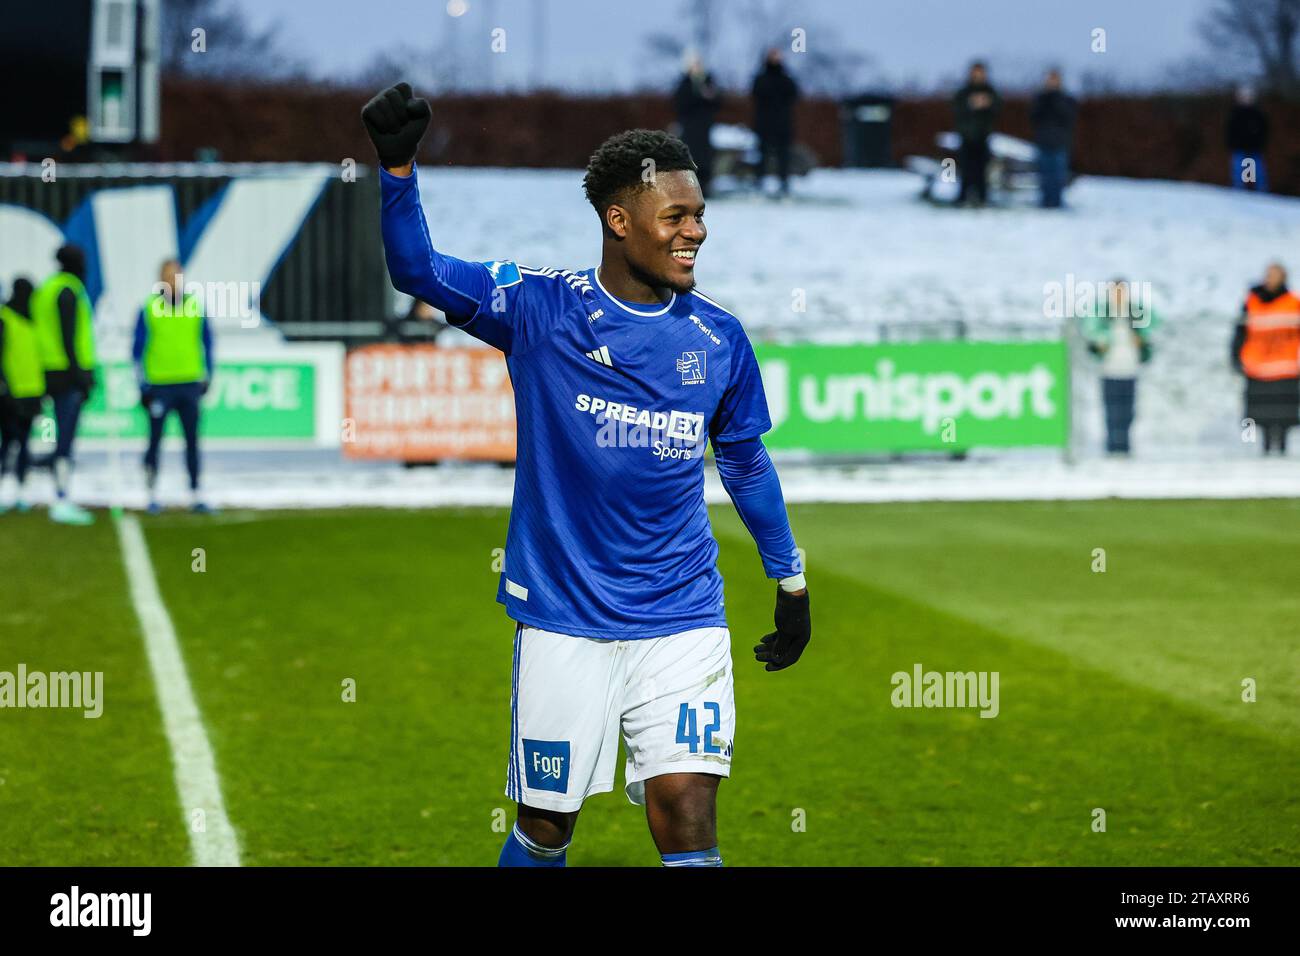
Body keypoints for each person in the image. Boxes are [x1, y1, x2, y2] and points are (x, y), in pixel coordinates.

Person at [363, 83, 812, 868]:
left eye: (700, 215)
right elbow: (418, 271)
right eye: (676, 217)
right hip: (564, 616)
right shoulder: (537, 309)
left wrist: (791, 580)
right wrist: (398, 170)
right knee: (546, 826)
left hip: (683, 615)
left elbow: (743, 459)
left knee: (689, 815)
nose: (695, 233)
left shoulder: (718, 338)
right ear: (620, 221)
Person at [133, 259, 214, 513]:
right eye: (167, 275)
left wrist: (207, 376)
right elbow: (137, 349)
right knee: (155, 440)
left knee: (192, 440)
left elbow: (207, 343)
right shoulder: (149, 308)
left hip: (189, 383)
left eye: (176, 275)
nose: (172, 280)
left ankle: (195, 492)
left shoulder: (194, 306)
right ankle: (151, 493)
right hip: (160, 385)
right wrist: (143, 385)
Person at [31, 244, 97, 525]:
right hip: (66, 373)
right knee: (65, 438)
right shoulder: (68, 289)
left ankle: (60, 492)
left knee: (58, 434)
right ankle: (61, 497)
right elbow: (67, 335)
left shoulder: (47, 288)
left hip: (49, 371)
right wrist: (80, 373)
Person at [1081, 280, 1159, 456]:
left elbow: (1154, 322)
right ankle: (1112, 446)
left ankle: (1125, 446)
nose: (1118, 295)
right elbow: (1090, 330)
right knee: (1111, 410)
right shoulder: (1102, 312)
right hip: (1109, 369)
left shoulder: (1134, 310)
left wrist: (1141, 338)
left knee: (1128, 410)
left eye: (1121, 291)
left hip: (1130, 368)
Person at [1232, 263, 1300, 454]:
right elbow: (1240, 332)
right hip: (1257, 366)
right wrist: (1236, 358)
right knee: (1259, 413)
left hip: (1285, 367)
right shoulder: (1251, 301)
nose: (1270, 279)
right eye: (1268, 275)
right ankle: (1264, 447)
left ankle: (1283, 447)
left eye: (1275, 275)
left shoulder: (1294, 302)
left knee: (1285, 412)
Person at [0, 279, 45, 513]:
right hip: (9, 394)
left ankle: (21, 489)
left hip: (31, 392)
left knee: (25, 442)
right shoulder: (4, 318)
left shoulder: (33, 320)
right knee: (8, 441)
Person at [750, 48, 799, 198]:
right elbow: (756, 94)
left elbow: (794, 94)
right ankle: (759, 181)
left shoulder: (786, 78)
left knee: (783, 155)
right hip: (764, 123)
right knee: (762, 154)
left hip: (782, 124)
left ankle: (784, 182)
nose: (776, 58)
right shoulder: (761, 78)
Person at [952, 61, 1002, 207]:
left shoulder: (990, 91)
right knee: (965, 169)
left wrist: (988, 103)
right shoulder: (963, 92)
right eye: (976, 72)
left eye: (980, 72)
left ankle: (982, 198)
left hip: (983, 137)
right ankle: (962, 197)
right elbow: (956, 108)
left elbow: (998, 107)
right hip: (966, 137)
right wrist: (970, 104)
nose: (978, 75)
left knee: (982, 169)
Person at [672, 52, 721, 198]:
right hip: (689, 128)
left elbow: (718, 102)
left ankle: (706, 187)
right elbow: (679, 104)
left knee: (706, 158)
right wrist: (700, 97)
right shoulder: (684, 83)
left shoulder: (709, 82)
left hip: (705, 127)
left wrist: (711, 96)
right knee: (690, 157)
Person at [1030, 69, 1077, 209]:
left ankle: (1057, 201)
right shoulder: (1040, 98)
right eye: (1050, 79)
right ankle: (1045, 201)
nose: (1052, 82)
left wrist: (1056, 100)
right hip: (1043, 142)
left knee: (1058, 176)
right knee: (1044, 175)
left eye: (1054, 79)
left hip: (1059, 143)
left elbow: (1069, 118)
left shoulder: (1066, 99)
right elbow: (1034, 117)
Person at [1226, 85, 1269, 192]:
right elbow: (1230, 130)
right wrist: (1232, 143)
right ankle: (1239, 191)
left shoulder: (1257, 114)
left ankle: (1260, 192)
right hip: (1239, 148)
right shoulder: (1235, 114)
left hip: (1254, 148)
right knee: (1239, 171)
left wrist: (1259, 143)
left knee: (1257, 172)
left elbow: (1264, 130)